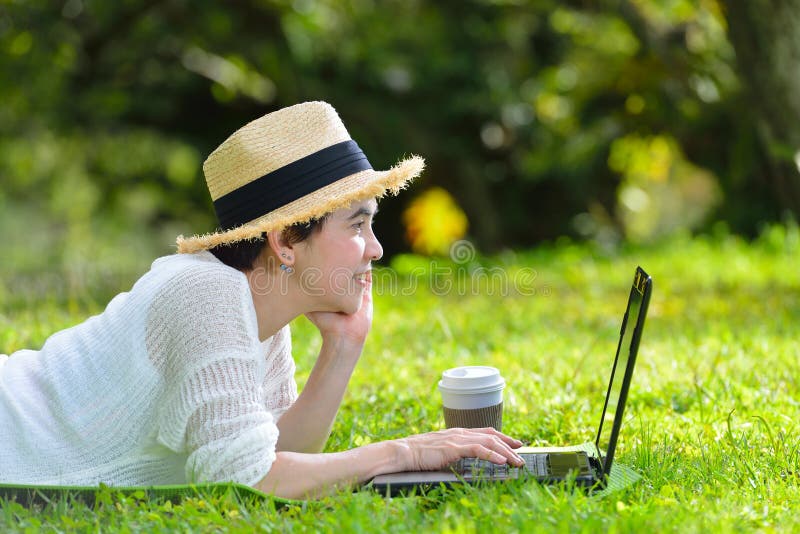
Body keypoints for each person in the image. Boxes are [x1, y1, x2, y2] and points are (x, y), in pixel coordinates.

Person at [0, 101, 523, 499]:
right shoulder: (206, 294)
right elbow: (245, 478)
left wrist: (343, 347)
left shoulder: (259, 306)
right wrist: (404, 452)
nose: (376, 248)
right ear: (285, 241)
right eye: (357, 225)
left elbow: (278, 456)